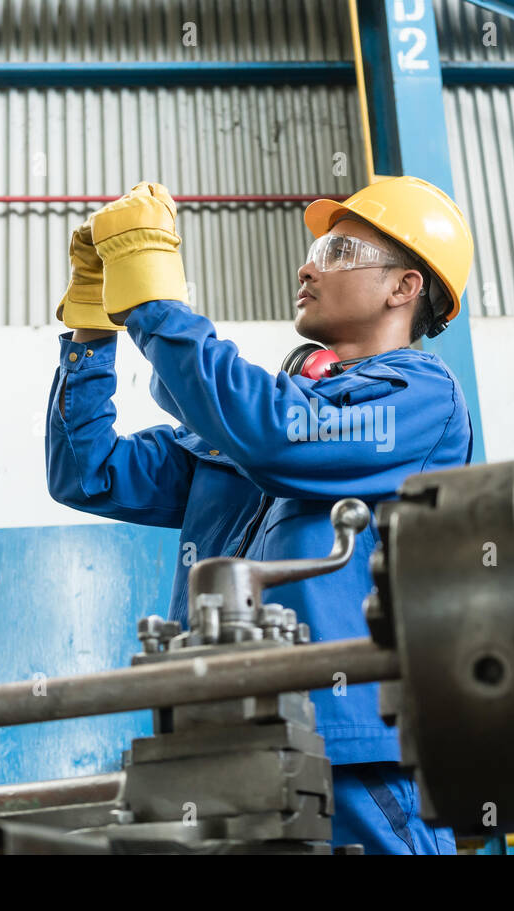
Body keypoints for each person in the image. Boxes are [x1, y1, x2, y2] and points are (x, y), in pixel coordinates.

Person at [45, 175, 474, 854]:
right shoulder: (257, 422)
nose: (308, 265)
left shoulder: (420, 399)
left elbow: (277, 439)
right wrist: (92, 330)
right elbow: (86, 473)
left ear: (404, 288)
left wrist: (155, 301)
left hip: (353, 751)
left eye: (338, 252)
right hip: (220, 750)